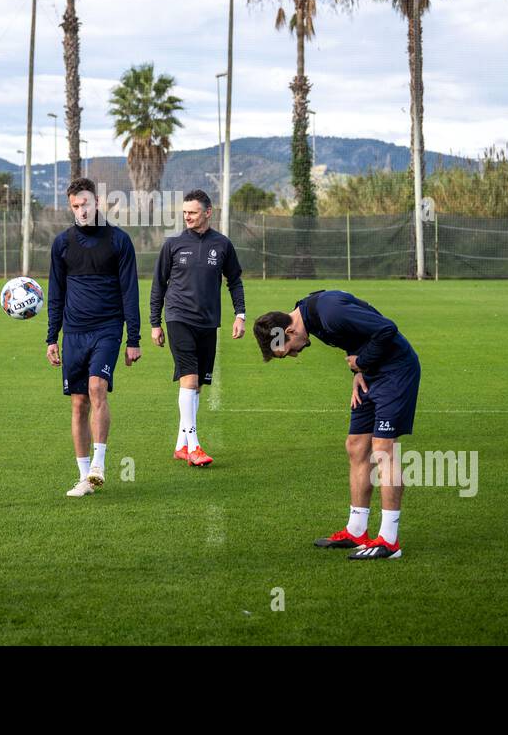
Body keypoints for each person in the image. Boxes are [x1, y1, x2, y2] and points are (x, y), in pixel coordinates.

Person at [253, 290, 421, 560]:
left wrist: (363, 362)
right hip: (370, 374)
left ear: (288, 331)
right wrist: (359, 371)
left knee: (382, 449)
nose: (295, 355)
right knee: (356, 446)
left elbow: (386, 329)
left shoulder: (330, 311)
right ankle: (357, 530)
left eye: (288, 351)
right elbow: (355, 334)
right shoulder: (308, 314)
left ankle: (389, 541)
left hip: (396, 371)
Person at [46, 177, 140, 497]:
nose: (81, 210)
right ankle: (85, 477)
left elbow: (130, 291)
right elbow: (56, 293)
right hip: (73, 332)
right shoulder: (62, 243)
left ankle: (99, 464)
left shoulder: (118, 240)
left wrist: (134, 339)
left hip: (108, 329)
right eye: (75, 206)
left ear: (97, 202)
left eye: (86, 203)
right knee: (78, 403)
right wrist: (51, 338)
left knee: (97, 386)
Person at [148, 189, 245, 466]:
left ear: (208, 212)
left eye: (192, 212)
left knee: (198, 386)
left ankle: (181, 445)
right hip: (178, 317)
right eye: (185, 213)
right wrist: (156, 323)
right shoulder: (173, 244)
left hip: (208, 323)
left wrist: (240, 315)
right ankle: (194, 446)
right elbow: (159, 285)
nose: (187, 217)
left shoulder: (223, 245)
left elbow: (235, 280)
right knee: (188, 380)